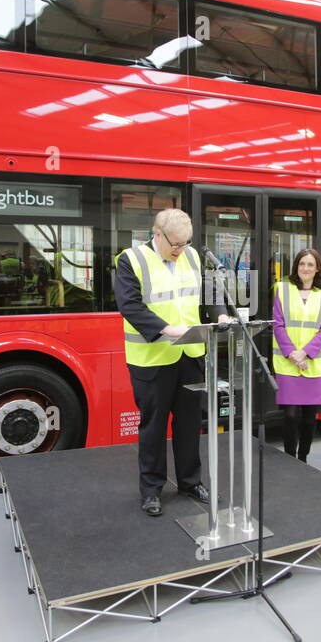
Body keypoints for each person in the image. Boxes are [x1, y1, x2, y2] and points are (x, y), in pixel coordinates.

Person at [115, 208, 227, 517]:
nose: (180, 250)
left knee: (190, 424)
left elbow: (208, 292)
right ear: (158, 234)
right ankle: (151, 490)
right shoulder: (131, 260)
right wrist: (165, 329)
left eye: (185, 243)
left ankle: (190, 482)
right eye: (175, 244)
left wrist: (220, 314)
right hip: (152, 358)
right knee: (153, 426)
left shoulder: (191, 256)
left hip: (189, 355)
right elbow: (129, 305)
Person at [272, 249, 321, 462]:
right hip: (287, 362)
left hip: (313, 363)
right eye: (301, 264)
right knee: (290, 415)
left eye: (310, 265)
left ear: (318, 268)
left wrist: (305, 354)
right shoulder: (282, 289)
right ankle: (290, 457)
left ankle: (303, 458)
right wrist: (292, 353)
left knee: (309, 418)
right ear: (296, 267)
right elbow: (278, 325)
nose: (305, 269)